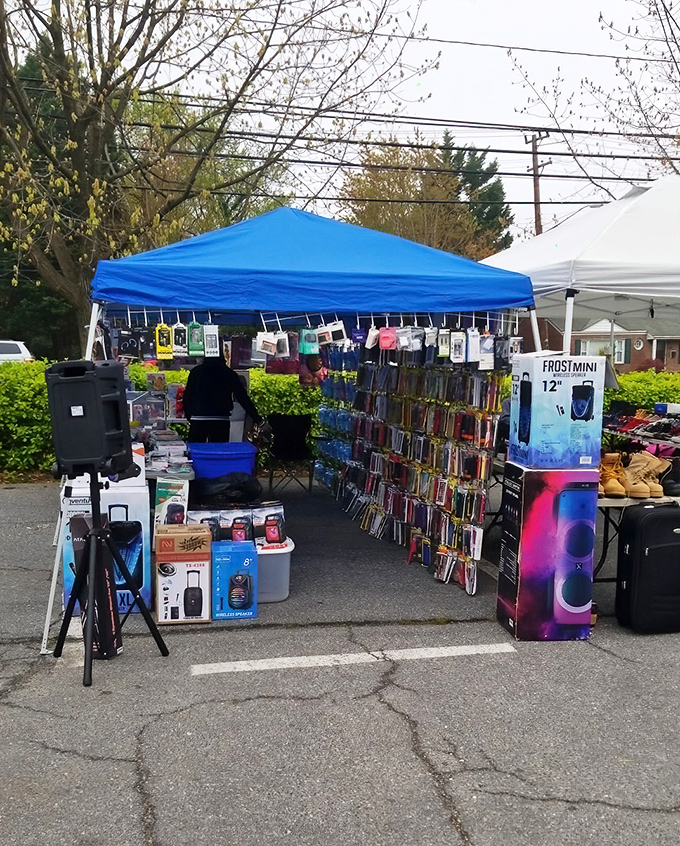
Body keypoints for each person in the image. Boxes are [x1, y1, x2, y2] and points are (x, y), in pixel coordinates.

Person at [182, 356, 263, 442]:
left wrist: (190, 416)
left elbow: (187, 397)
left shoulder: (196, 372)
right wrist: (258, 420)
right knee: (219, 452)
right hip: (221, 418)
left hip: (198, 418)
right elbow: (243, 398)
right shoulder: (229, 373)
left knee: (196, 451)